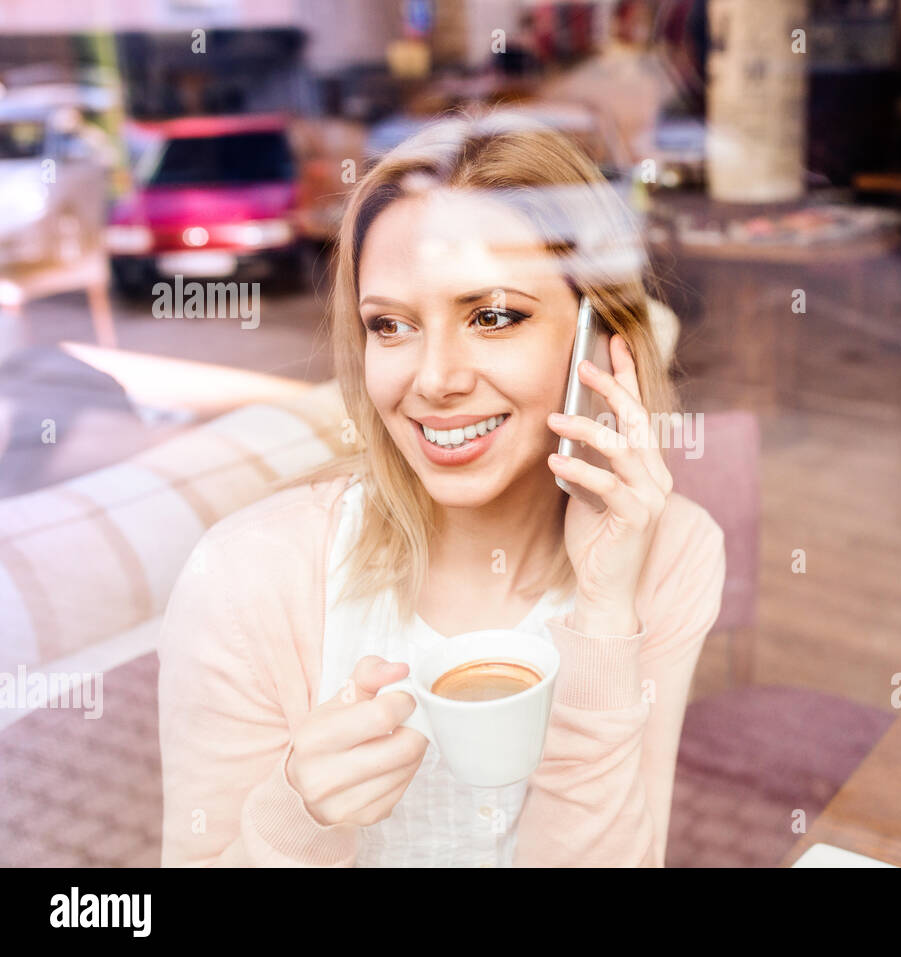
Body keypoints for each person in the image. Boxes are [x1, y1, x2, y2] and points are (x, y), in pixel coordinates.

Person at [156, 109, 725, 867]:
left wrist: (605, 613)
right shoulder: (244, 577)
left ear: (598, 337)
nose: (433, 381)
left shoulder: (671, 552)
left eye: (492, 316)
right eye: (390, 326)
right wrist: (297, 816)